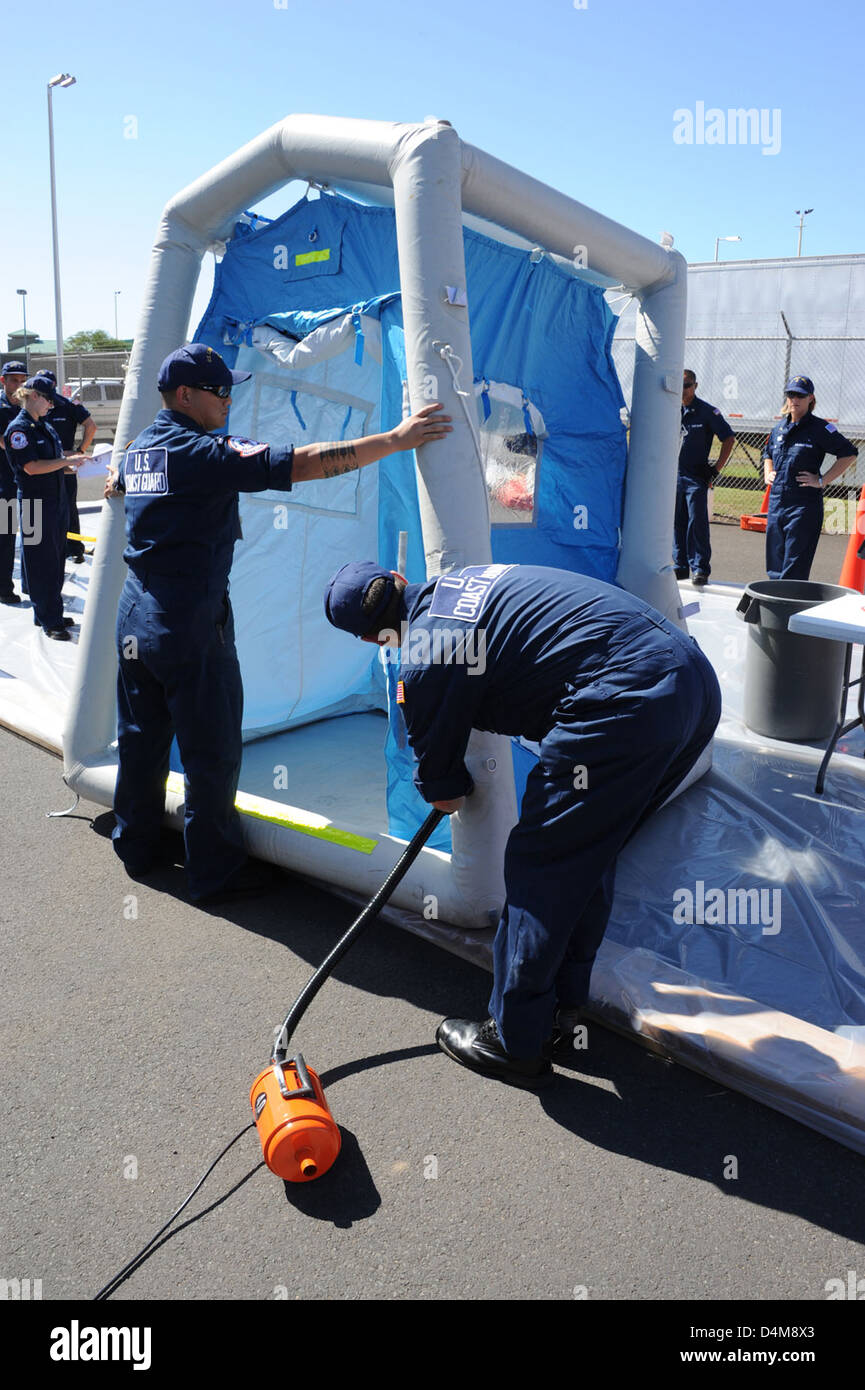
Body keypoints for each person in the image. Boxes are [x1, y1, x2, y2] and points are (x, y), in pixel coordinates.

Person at [324, 560, 721, 1089]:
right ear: (399, 577)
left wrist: (444, 775)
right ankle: (563, 1005)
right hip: (691, 679)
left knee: (543, 868)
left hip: (624, 701)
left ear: (371, 637)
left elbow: (444, 794)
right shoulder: (467, 579)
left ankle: (514, 1039)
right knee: (586, 851)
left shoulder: (420, 659)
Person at [104, 342, 451, 904]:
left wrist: (116, 484)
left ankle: (136, 845)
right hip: (188, 624)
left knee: (141, 739)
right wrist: (397, 440)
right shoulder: (203, 452)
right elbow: (305, 462)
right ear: (186, 396)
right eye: (219, 391)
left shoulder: (142, 448)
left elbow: (120, 481)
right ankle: (213, 872)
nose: (228, 401)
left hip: (135, 619)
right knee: (210, 752)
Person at [3, 375, 86, 639]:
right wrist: (64, 463)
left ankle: (51, 612)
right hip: (35, 505)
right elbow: (32, 467)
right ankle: (49, 619)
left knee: (56, 559)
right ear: (34, 396)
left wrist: (78, 459)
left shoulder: (44, 426)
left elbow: (56, 459)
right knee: (41, 563)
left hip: (55, 500)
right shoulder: (19, 430)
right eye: (48, 399)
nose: (52, 405)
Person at [763, 375, 858, 581]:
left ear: (810, 398)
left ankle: (790, 607)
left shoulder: (820, 429)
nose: (794, 399)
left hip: (803, 507)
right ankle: (775, 607)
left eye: (800, 395)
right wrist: (767, 471)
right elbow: (767, 452)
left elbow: (849, 453)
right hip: (777, 503)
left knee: (794, 567)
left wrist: (822, 480)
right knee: (774, 565)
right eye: (791, 394)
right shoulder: (779, 428)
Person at [673, 370, 734, 587]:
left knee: (696, 522)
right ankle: (679, 566)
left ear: (695, 385)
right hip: (672, 477)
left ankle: (699, 567)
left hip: (695, 477)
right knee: (676, 523)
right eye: (679, 385)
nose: (683, 389)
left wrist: (715, 468)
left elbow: (728, 438)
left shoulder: (707, 412)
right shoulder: (670, 409)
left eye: (687, 385)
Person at [40, 370, 96, 562]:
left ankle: (74, 548)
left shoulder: (67, 404)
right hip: (46, 466)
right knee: (60, 508)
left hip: (61, 466)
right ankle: (63, 548)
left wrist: (80, 451)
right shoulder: (34, 408)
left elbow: (91, 426)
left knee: (67, 508)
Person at [0, 360, 29, 604]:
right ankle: (3, 587)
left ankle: (34, 585)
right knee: (6, 536)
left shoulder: (30, 407)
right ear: (3, 381)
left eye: (22, 380)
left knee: (34, 535)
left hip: (32, 484)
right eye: (14, 380)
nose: (19, 384)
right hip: (5, 485)